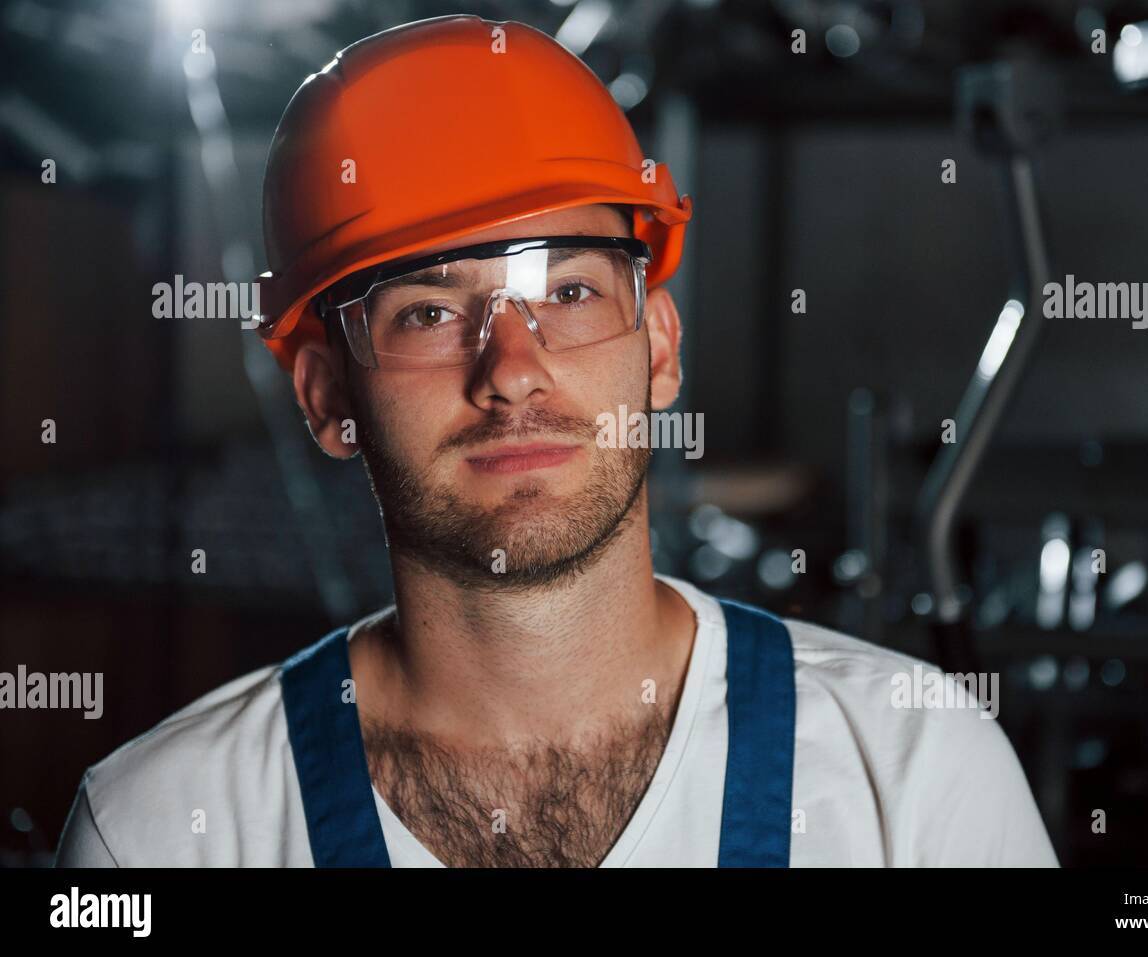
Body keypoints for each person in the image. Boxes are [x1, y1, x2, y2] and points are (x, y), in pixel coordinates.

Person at [55, 14, 1058, 867]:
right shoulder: (161, 833)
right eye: (428, 315)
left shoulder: (917, 775)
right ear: (326, 395)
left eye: (569, 293)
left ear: (659, 348)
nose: (513, 370)